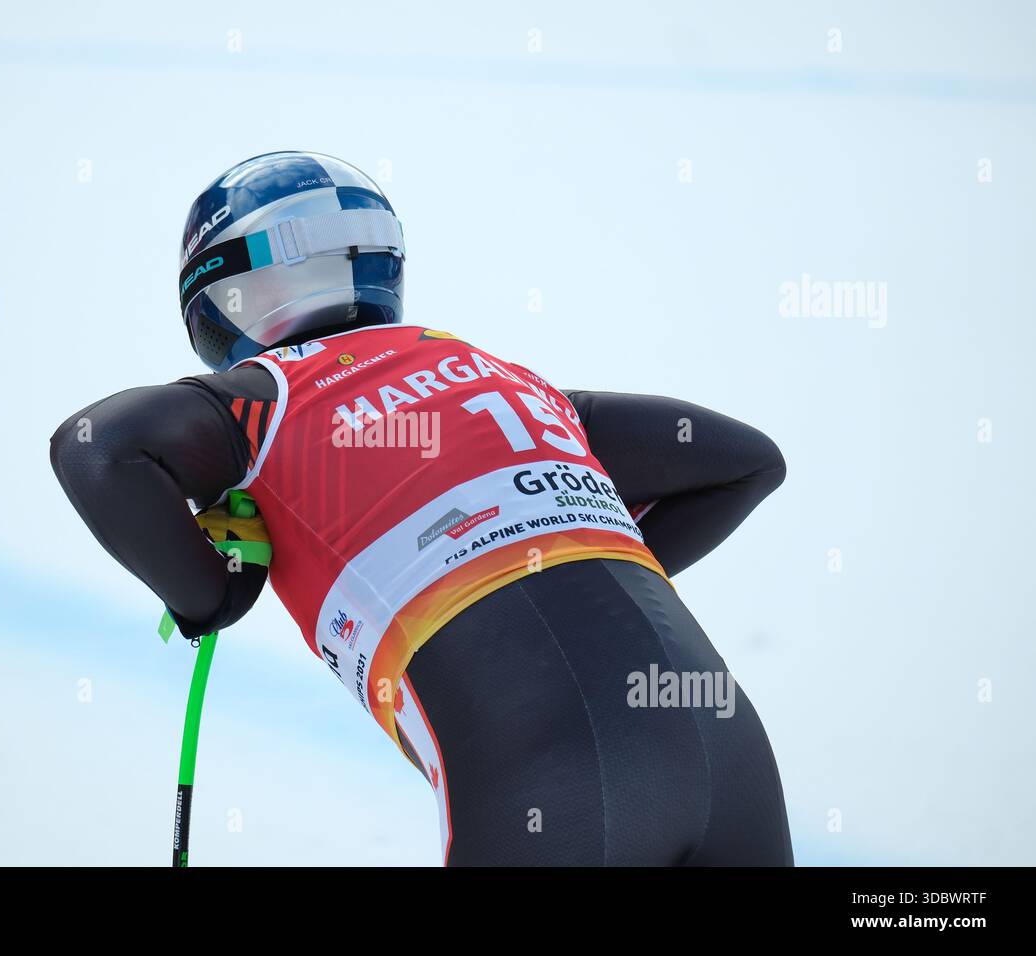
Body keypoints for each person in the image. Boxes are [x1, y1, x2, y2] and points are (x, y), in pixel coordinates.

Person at [50, 151, 792, 866]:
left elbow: (94, 448)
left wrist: (210, 595)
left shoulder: (260, 399)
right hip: (727, 751)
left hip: (549, 765)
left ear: (226, 297)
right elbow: (746, 462)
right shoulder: (510, 385)